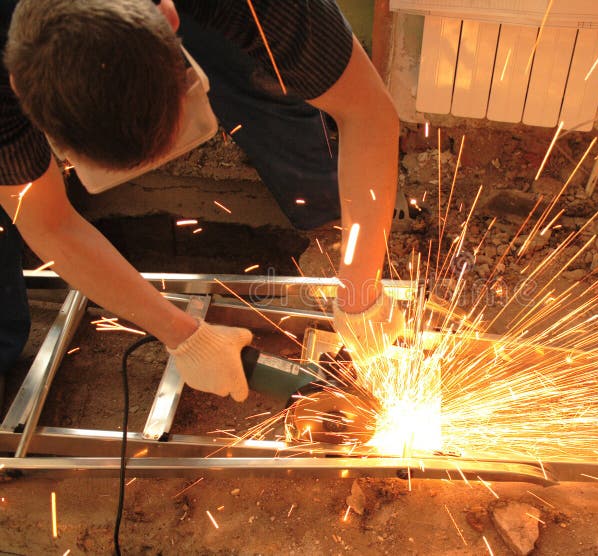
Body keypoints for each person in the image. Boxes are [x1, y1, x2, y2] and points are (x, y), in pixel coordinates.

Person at [0, 0, 403, 405]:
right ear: (17, 85)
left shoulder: (267, 8)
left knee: (260, 81)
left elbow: (366, 109)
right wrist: (183, 336)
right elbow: (48, 223)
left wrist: (360, 286)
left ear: (170, 18)